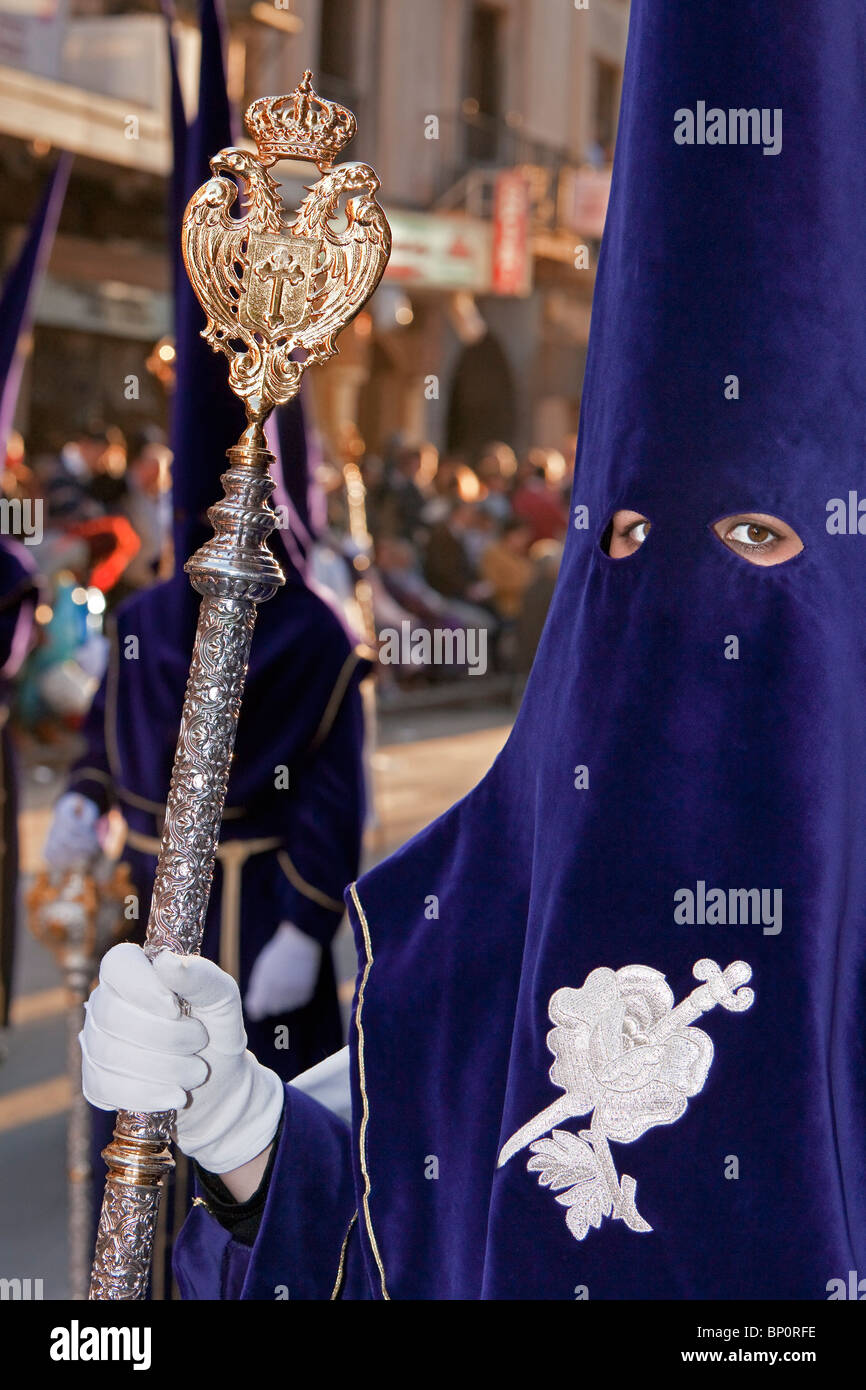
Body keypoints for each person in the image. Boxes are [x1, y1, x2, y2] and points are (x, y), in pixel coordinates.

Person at [81, 0, 866, 1299]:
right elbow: (373, 1223)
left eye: (751, 530)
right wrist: (245, 1137)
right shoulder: (480, 914)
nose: (673, 589)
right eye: (621, 535)